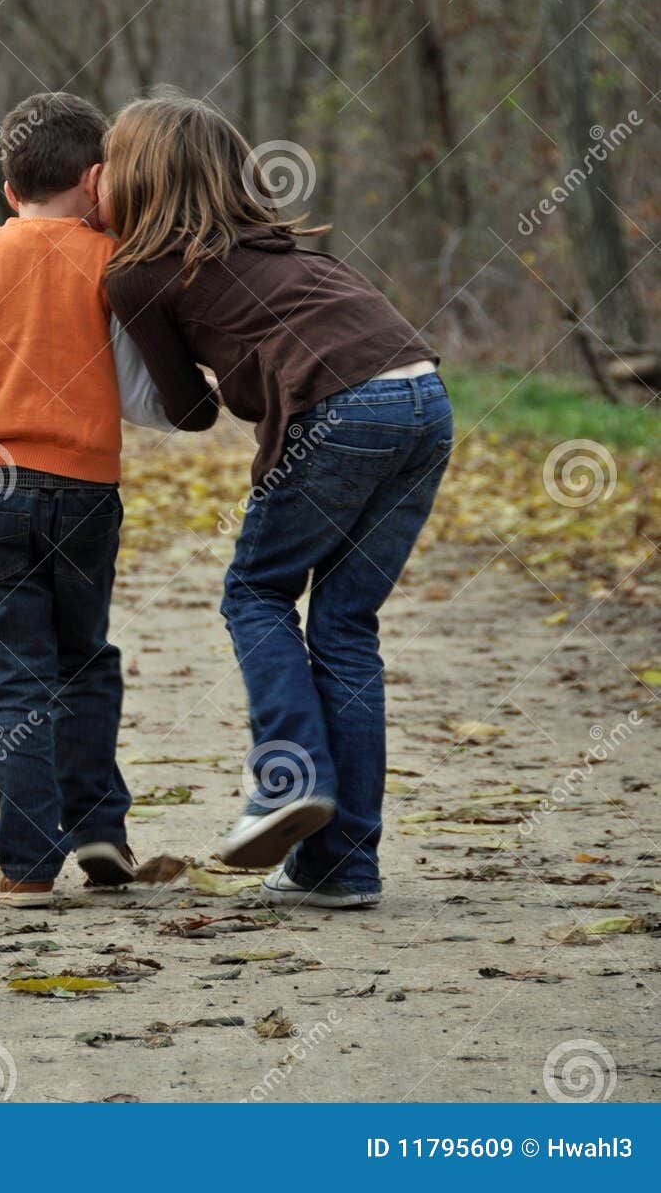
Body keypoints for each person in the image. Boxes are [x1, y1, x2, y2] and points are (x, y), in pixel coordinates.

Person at [101, 96, 451, 909]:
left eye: (112, 162)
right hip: (425, 400)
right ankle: (341, 867)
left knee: (254, 592)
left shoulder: (136, 273)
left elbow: (190, 410)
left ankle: (285, 780)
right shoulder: (283, 248)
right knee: (341, 624)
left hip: (343, 411)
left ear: (139, 176)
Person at [0, 92, 168, 908]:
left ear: (9, 190)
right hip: (87, 487)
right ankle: (101, 831)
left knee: (16, 675)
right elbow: (138, 396)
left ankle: (25, 865)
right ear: (96, 181)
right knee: (84, 660)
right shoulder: (110, 260)